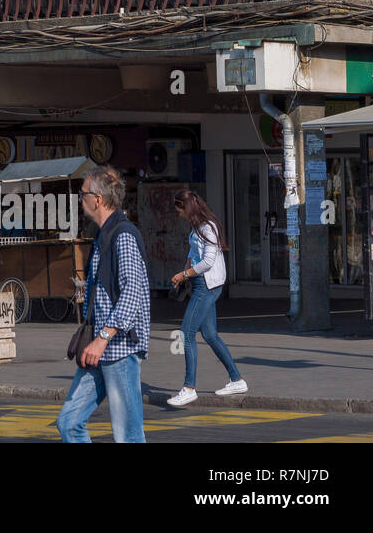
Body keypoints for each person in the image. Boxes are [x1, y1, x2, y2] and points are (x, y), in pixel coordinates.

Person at [56, 166, 150, 443]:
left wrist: (103, 338)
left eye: (82, 193)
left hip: (118, 349)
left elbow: (132, 293)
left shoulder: (123, 235)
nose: (80, 199)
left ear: (97, 199)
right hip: (98, 349)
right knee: (69, 424)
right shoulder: (103, 235)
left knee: (129, 436)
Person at [167, 190, 248, 406]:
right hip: (200, 283)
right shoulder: (198, 227)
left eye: (179, 210)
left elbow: (208, 262)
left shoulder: (207, 227)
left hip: (206, 285)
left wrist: (185, 274)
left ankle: (189, 387)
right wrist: (184, 274)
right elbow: (193, 254)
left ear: (187, 208)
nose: (179, 214)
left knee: (186, 333)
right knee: (210, 335)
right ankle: (236, 379)